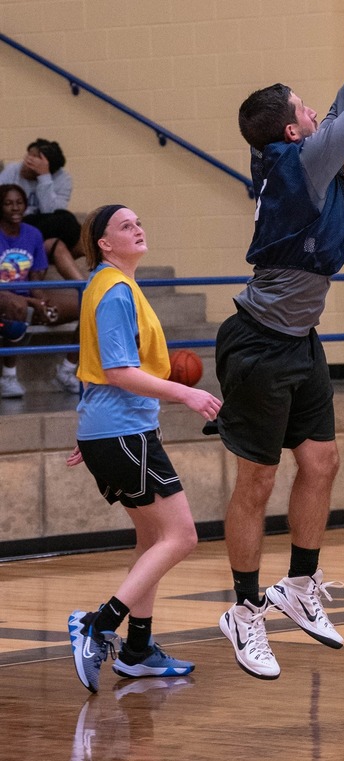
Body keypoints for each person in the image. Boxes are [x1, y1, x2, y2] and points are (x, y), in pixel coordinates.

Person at [212, 0, 344, 681]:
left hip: (299, 341)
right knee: (257, 480)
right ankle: (244, 610)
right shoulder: (302, 163)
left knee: (322, 462)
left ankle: (300, 585)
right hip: (258, 343)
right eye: (304, 108)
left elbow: (340, 107)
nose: (316, 112)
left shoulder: (298, 154)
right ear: (290, 127)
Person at [65, 203, 223, 693]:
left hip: (113, 432)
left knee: (154, 539)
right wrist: (186, 393)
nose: (137, 229)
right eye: (125, 226)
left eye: (138, 222)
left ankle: (137, 650)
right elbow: (117, 371)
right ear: (104, 243)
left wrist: (92, 432)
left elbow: (96, 366)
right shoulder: (113, 289)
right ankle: (99, 626)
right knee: (182, 536)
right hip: (121, 432)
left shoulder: (110, 285)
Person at [0, 183, 80, 398]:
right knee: (17, 306)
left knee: (89, 306)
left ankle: (66, 371)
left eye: (19, 203)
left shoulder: (33, 234)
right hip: (5, 300)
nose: (15, 208)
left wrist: (42, 301)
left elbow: (35, 280)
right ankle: (8, 377)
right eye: (8, 203)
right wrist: (32, 303)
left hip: (26, 297)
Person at [0, 138, 85, 276]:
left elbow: (51, 212)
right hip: (14, 224)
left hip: (43, 226)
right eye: (28, 157)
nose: (25, 165)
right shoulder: (13, 170)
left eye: (32, 164)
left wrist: (44, 177)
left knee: (66, 221)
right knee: (67, 221)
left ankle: (86, 286)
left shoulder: (63, 179)